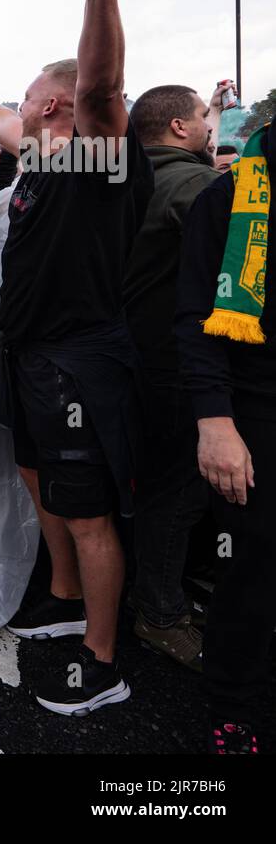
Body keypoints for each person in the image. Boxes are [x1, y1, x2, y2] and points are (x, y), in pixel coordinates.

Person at [0, 0, 152, 717]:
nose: (12, 119)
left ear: (51, 102)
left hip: (81, 358)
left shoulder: (93, 159)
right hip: (28, 358)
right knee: (37, 478)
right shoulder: (36, 168)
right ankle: (62, 598)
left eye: (22, 105)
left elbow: (101, 92)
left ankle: (104, 657)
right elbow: (0, 125)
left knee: (87, 509)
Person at [176, 119, 273, 754]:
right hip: (254, 417)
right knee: (251, 572)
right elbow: (192, 317)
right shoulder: (230, 193)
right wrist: (215, 422)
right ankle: (235, 705)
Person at [123, 85, 221, 672]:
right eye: (205, 116)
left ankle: (163, 596)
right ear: (182, 128)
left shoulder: (115, 182)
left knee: (153, 485)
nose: (212, 125)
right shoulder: (199, 186)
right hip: (179, 365)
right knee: (178, 492)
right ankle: (159, 613)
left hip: (128, 359)